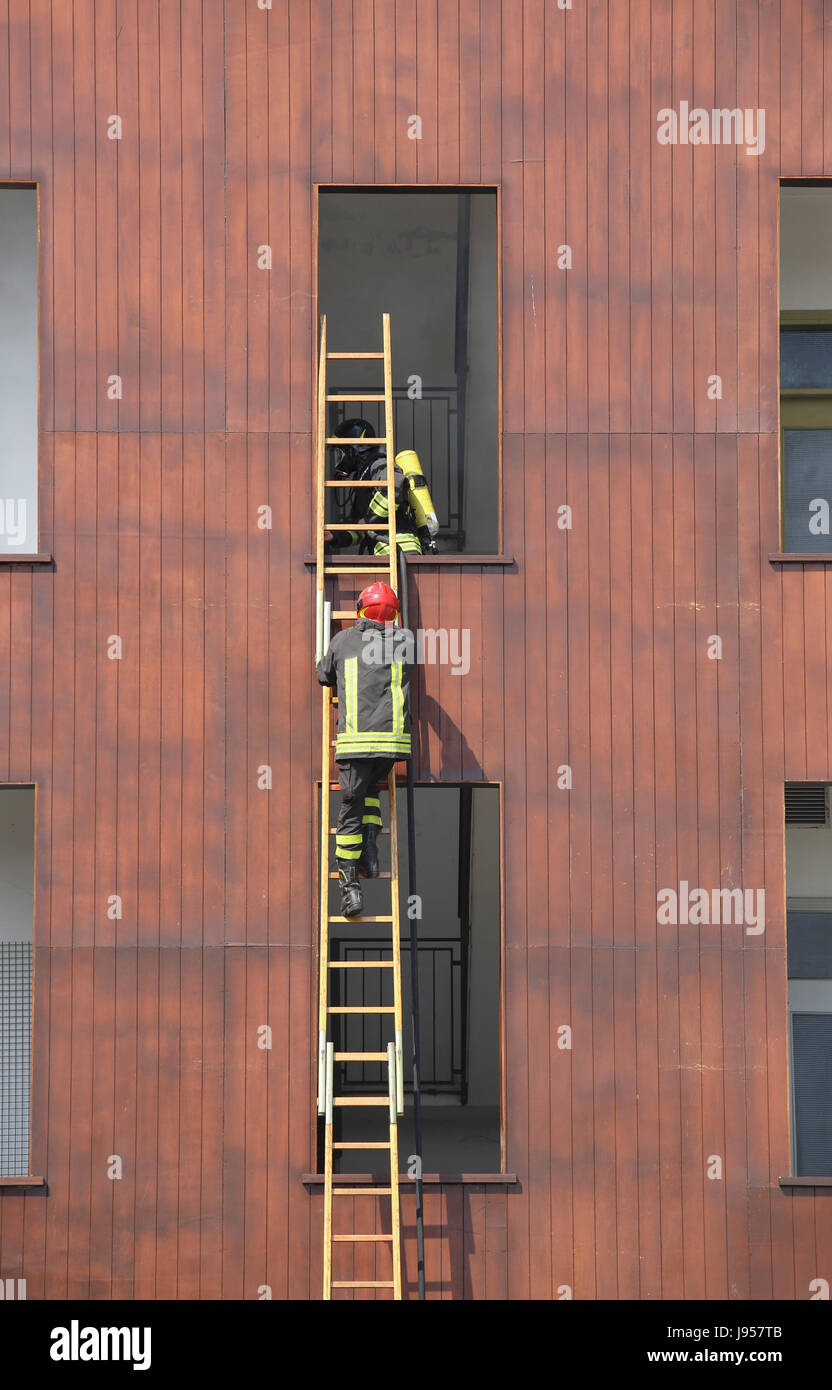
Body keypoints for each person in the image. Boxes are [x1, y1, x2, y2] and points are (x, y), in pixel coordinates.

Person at [316, 580, 412, 918]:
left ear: (360, 609)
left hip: (356, 745)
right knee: (371, 789)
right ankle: (370, 852)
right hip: (391, 746)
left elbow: (323, 675)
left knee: (349, 813)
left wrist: (324, 655)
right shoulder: (405, 641)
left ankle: (350, 889)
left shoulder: (343, 641)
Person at [324, 417, 424, 556]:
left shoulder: (379, 464)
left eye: (340, 452)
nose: (338, 459)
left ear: (353, 450)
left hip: (402, 551)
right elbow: (360, 529)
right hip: (385, 553)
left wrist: (369, 519)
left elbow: (394, 488)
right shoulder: (363, 476)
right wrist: (334, 536)